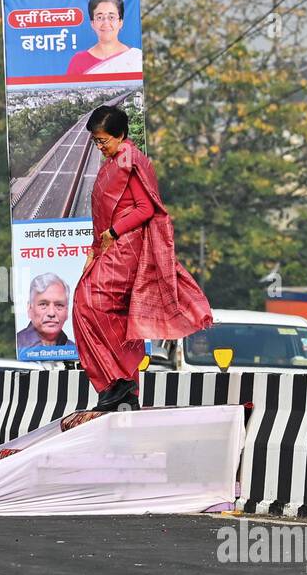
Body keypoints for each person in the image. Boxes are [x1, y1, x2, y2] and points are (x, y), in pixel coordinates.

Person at [73, 106, 213, 411]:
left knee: (90, 301)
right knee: (100, 312)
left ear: (120, 135)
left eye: (103, 141)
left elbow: (146, 209)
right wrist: (94, 250)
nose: (99, 147)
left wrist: (113, 231)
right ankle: (121, 386)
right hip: (109, 246)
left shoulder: (129, 160)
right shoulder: (113, 161)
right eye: (96, 141)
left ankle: (119, 380)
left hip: (126, 245)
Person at [65, 0, 143, 76]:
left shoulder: (135, 58)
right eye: (100, 17)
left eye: (111, 17)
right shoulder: (79, 61)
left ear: (120, 22)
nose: (106, 22)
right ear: (92, 23)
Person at [16, 273, 74, 349]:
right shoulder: (16, 346)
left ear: (67, 311)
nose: (51, 313)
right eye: (43, 304)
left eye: (59, 305)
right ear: (30, 309)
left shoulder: (74, 350)